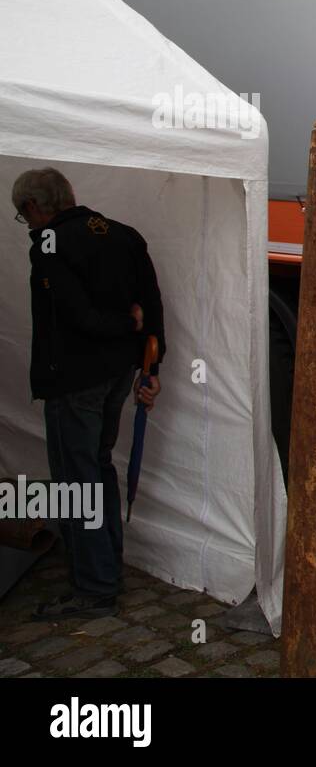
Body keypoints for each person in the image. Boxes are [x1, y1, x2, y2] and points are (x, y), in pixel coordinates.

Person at [12, 168, 165, 620]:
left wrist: (126, 326)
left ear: (34, 208)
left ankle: (94, 586)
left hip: (75, 378)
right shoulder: (123, 234)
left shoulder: (49, 244)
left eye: (26, 218)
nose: (30, 226)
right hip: (117, 372)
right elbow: (151, 302)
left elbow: (77, 315)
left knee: (76, 482)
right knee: (96, 469)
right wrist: (150, 362)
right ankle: (106, 569)